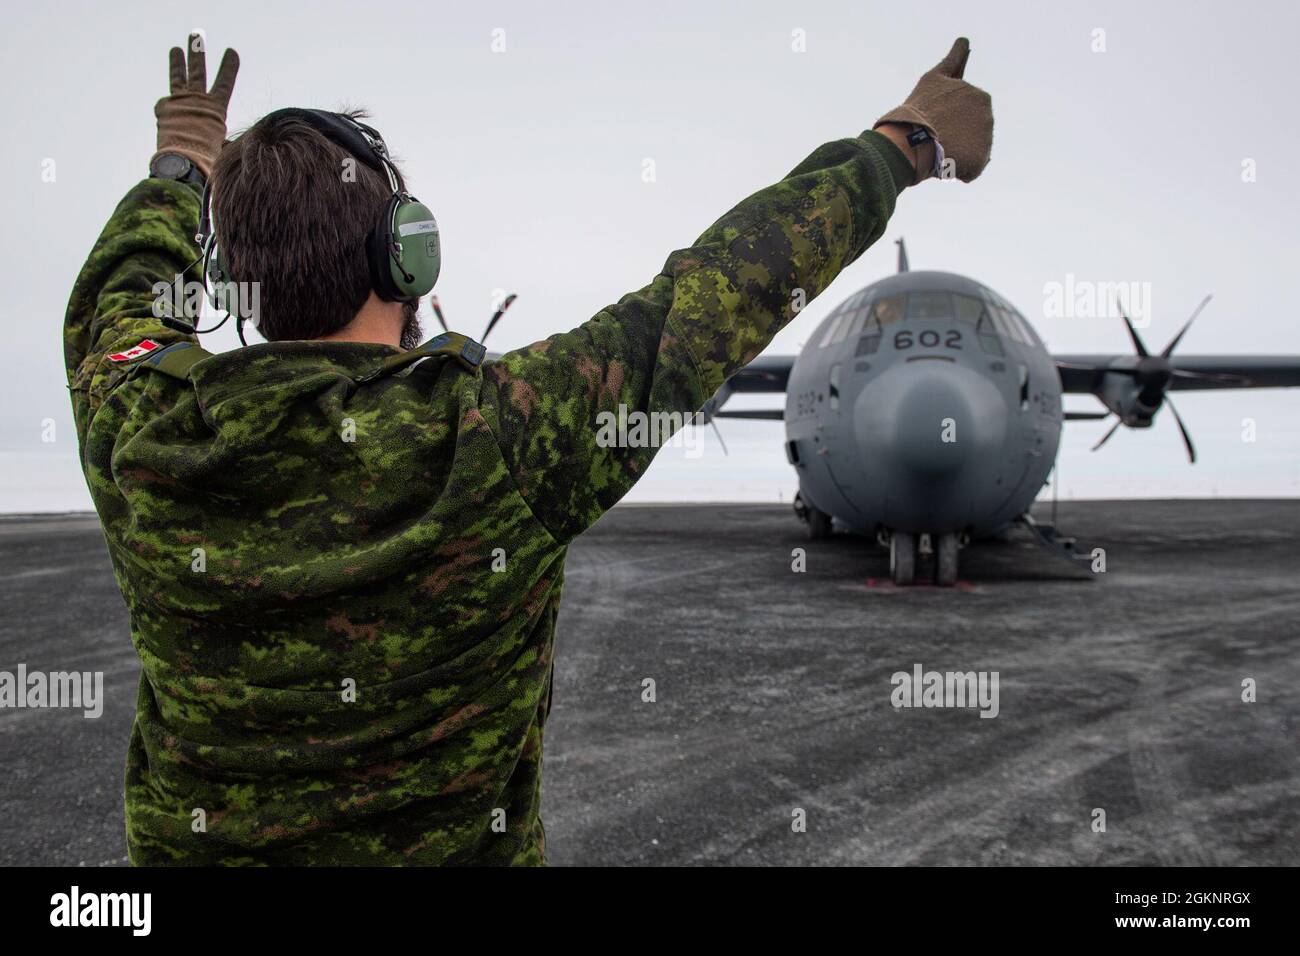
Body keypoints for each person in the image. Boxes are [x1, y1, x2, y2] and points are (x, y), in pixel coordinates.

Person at [64, 32, 993, 865]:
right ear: (407, 257)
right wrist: (903, 145)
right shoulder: (502, 429)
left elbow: (124, 292)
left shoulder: (141, 425)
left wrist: (180, 170)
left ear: (234, 277)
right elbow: (724, 287)